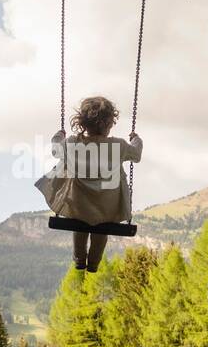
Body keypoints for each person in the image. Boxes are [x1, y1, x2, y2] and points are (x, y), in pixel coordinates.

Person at [35, 96, 143, 272]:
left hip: (79, 204)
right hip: (108, 207)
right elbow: (136, 155)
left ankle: (79, 258)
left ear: (82, 123)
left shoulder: (72, 143)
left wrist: (59, 135)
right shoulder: (119, 145)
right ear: (109, 124)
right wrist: (136, 139)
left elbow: (55, 149)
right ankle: (93, 263)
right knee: (101, 231)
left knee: (80, 226)